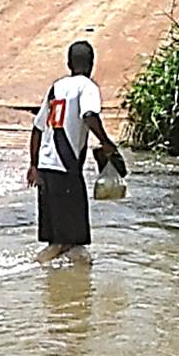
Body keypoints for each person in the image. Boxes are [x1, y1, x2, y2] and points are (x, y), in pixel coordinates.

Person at [26, 40, 121, 263]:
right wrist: (106, 142)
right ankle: (75, 279)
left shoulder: (56, 88)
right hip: (66, 169)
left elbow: (38, 128)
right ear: (92, 64)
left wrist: (34, 165)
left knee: (57, 241)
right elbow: (89, 115)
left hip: (46, 168)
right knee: (74, 245)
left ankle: (48, 280)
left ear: (69, 64)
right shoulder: (87, 87)